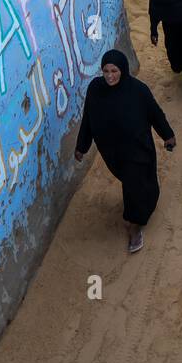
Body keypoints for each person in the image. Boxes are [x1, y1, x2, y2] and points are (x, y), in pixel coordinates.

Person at [74, 49, 175, 255]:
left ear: (123, 70)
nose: (110, 76)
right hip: (113, 151)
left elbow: (155, 114)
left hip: (139, 148)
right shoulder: (95, 89)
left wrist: (168, 135)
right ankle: (138, 215)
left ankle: (133, 225)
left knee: (136, 184)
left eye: (114, 71)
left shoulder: (138, 91)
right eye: (106, 71)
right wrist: (81, 147)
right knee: (134, 184)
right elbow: (88, 119)